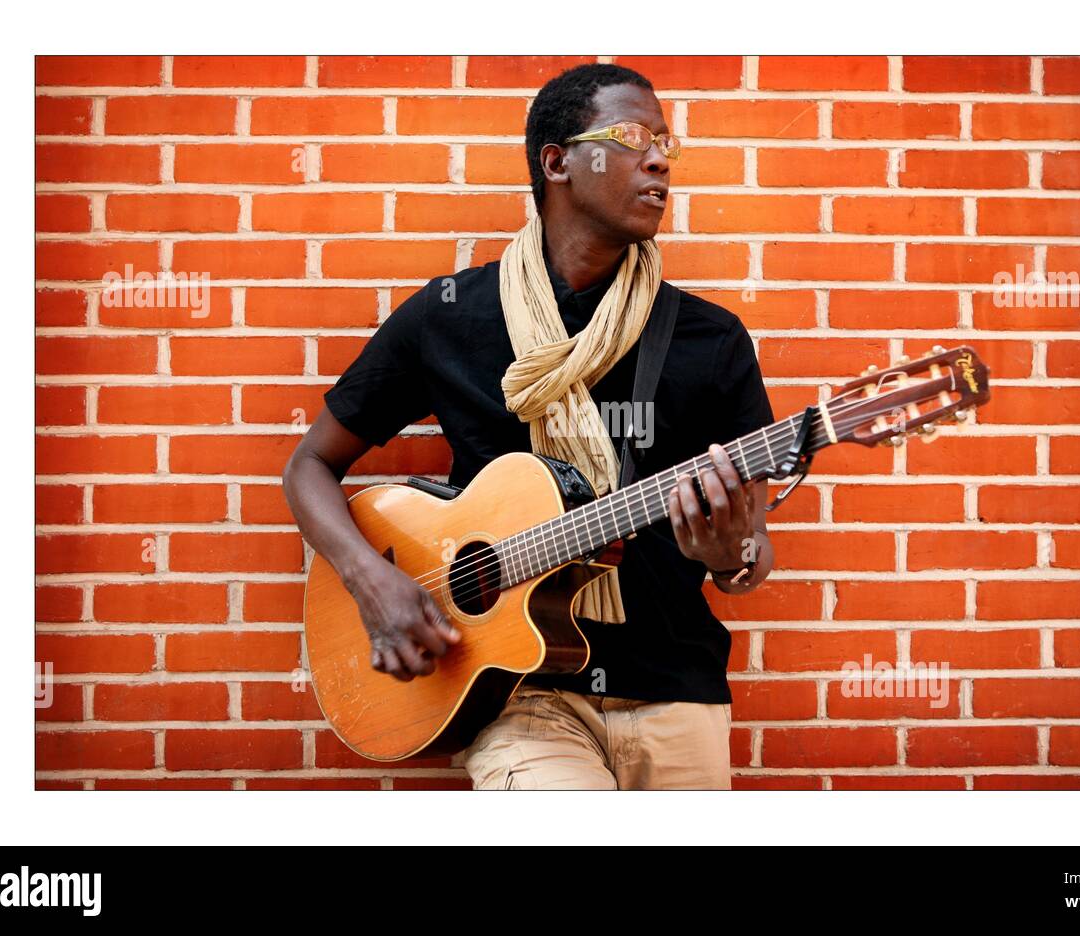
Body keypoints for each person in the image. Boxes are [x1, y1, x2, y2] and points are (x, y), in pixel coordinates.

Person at [282, 63, 776, 790]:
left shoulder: (710, 338)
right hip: (519, 697)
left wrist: (730, 551)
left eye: (666, 142)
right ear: (558, 162)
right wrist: (371, 583)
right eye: (634, 136)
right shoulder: (451, 316)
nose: (662, 159)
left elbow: (750, 558)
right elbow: (308, 468)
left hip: (677, 692)